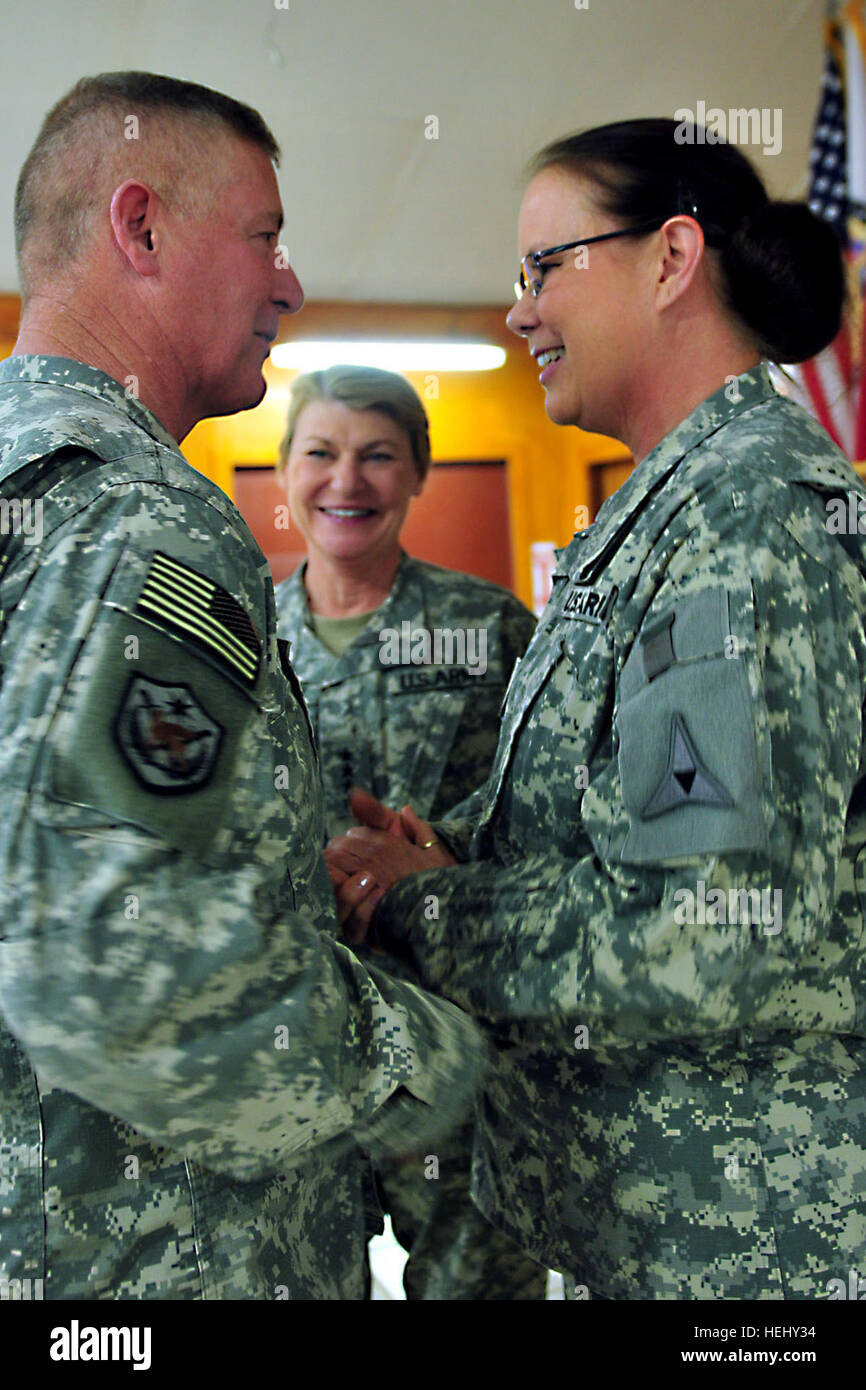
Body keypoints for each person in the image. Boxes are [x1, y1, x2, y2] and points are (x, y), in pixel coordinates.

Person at [326, 117, 866, 1300]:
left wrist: (428, 908)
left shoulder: (744, 520)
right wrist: (454, 847)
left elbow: (706, 931)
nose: (518, 311)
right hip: (643, 1227)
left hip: (745, 1246)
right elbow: (599, 805)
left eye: (541, 267)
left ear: (670, 258)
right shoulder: (665, 513)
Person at [0, 71, 488, 1301]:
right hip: (153, 1255)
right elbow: (108, 951)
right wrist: (419, 1059)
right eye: (265, 234)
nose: (288, 280)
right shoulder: (141, 513)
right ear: (142, 228)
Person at [274, 364, 543, 1298]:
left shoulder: (491, 626)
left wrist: (430, 861)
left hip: (463, 1039)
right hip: (299, 1046)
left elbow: (545, 814)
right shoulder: (240, 638)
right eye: (322, 453)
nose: (347, 482)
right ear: (285, 472)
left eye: (379, 456)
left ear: (419, 474)